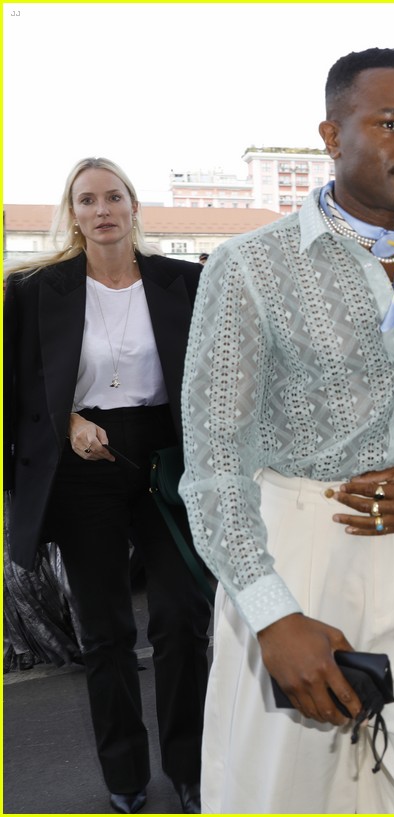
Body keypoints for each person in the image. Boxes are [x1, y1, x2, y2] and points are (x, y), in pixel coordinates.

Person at [179, 48, 394, 812]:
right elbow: (215, 462)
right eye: (392, 124)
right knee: (285, 796)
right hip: (297, 552)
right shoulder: (250, 266)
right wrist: (271, 612)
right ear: (331, 135)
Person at [3, 157, 211, 814]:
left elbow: (215, 377)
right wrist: (66, 421)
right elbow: (19, 386)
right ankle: (124, 771)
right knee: (105, 630)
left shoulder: (185, 282)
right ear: (73, 212)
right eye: (87, 199)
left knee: (182, 615)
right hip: (80, 465)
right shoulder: (33, 289)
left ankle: (190, 765)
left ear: (133, 206)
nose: (102, 210)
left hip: (165, 460)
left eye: (113, 196)